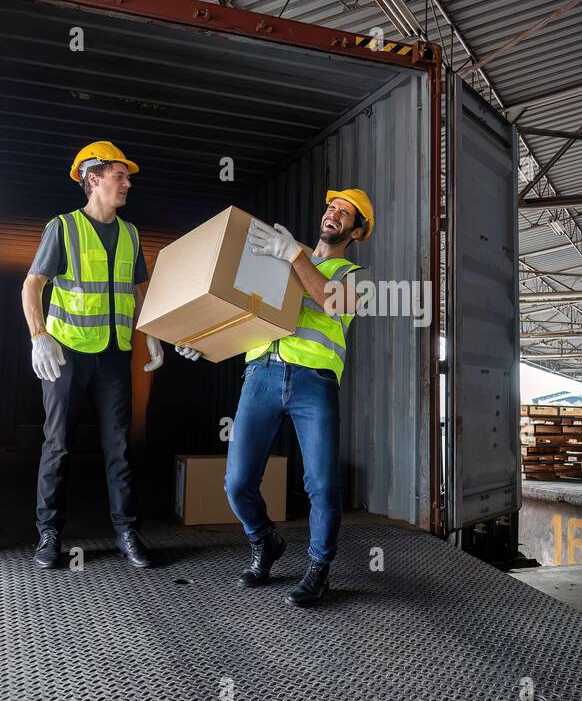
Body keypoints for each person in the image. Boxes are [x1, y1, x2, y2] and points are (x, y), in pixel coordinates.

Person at [178, 190, 373, 607]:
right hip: (261, 375)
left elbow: (331, 302)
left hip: (313, 383)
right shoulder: (280, 262)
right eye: (331, 207)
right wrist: (202, 339)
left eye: (345, 213)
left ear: (356, 231)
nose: (333, 214)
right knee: (237, 483)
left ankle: (319, 570)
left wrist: (293, 256)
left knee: (321, 484)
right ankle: (265, 541)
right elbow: (241, 311)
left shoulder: (355, 275)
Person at [21, 140, 166, 571]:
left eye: (127, 178)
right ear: (93, 179)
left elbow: (142, 291)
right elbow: (32, 285)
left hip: (114, 356)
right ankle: (49, 534)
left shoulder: (132, 234)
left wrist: (152, 335)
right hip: (64, 355)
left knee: (119, 447)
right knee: (58, 445)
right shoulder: (63, 228)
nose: (127, 183)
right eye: (120, 175)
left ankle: (127, 532)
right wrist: (38, 336)